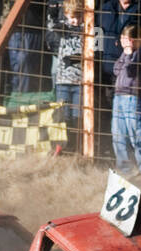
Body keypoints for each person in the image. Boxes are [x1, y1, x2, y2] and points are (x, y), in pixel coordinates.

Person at [112, 24, 141, 178]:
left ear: (138, 39)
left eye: (130, 39)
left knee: (136, 133)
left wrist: (129, 54)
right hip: (118, 96)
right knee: (118, 134)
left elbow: (130, 72)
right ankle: (125, 170)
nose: (126, 42)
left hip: (132, 97)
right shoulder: (125, 53)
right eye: (124, 38)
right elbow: (116, 70)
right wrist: (125, 54)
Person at [47, 0, 85, 150]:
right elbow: (51, 29)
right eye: (71, 17)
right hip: (62, 80)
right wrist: (52, 14)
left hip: (81, 82)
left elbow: (96, 53)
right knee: (64, 116)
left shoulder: (88, 29)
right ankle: (63, 149)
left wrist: (76, 58)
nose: (74, 20)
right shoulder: (62, 28)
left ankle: (78, 148)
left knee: (78, 117)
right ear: (66, 16)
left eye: (78, 16)